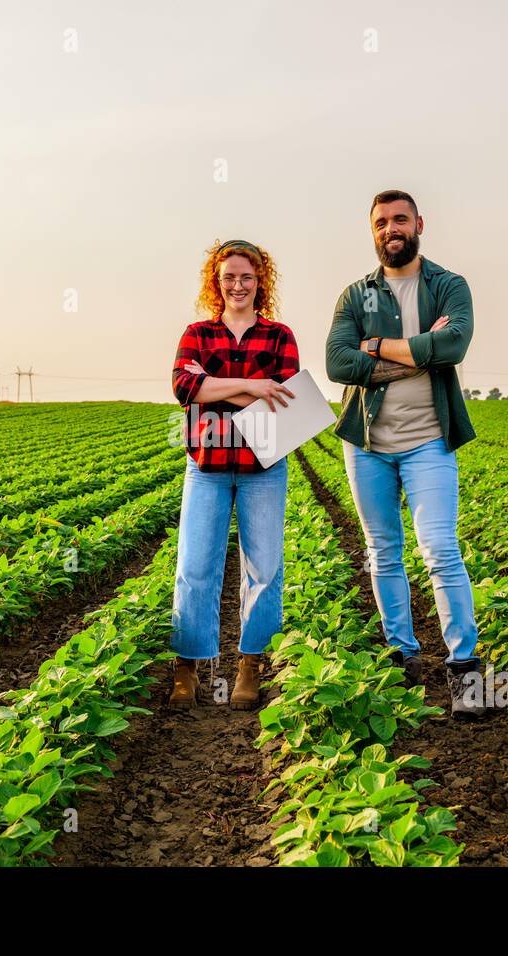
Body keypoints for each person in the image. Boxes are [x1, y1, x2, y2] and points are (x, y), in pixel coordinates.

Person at [324, 189, 486, 718]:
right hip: (367, 444)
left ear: (419, 224)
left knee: (440, 549)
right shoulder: (356, 295)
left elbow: (454, 345)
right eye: (380, 223)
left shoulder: (447, 286)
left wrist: (377, 346)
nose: (390, 229)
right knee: (382, 550)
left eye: (399, 220)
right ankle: (403, 656)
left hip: (428, 442)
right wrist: (418, 353)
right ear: (371, 232)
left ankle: (465, 669)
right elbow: (338, 363)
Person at [169, 239, 300, 711]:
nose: (238, 285)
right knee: (194, 566)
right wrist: (251, 386)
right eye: (229, 277)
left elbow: (287, 398)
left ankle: (251, 663)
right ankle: (188, 666)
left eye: (246, 276)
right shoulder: (198, 332)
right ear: (216, 282)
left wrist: (216, 390)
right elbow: (184, 386)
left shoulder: (280, 336)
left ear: (260, 280)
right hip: (207, 463)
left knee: (263, 568)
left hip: (262, 465)